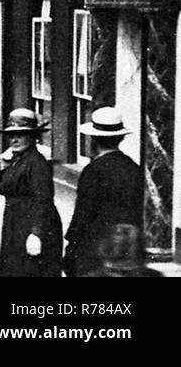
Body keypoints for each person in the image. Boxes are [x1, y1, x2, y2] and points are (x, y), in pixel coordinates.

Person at [63, 107, 144, 277]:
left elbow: (83, 213)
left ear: (94, 139)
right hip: (128, 245)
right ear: (120, 137)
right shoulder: (133, 168)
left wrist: (71, 245)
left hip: (96, 246)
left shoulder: (93, 171)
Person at [0, 108, 63, 278]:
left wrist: (36, 233)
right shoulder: (18, 159)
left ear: (32, 137)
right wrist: (3, 166)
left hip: (33, 222)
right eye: (11, 135)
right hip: (16, 223)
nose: (14, 139)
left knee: (29, 270)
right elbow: (4, 189)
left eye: (20, 134)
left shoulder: (37, 163)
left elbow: (44, 200)